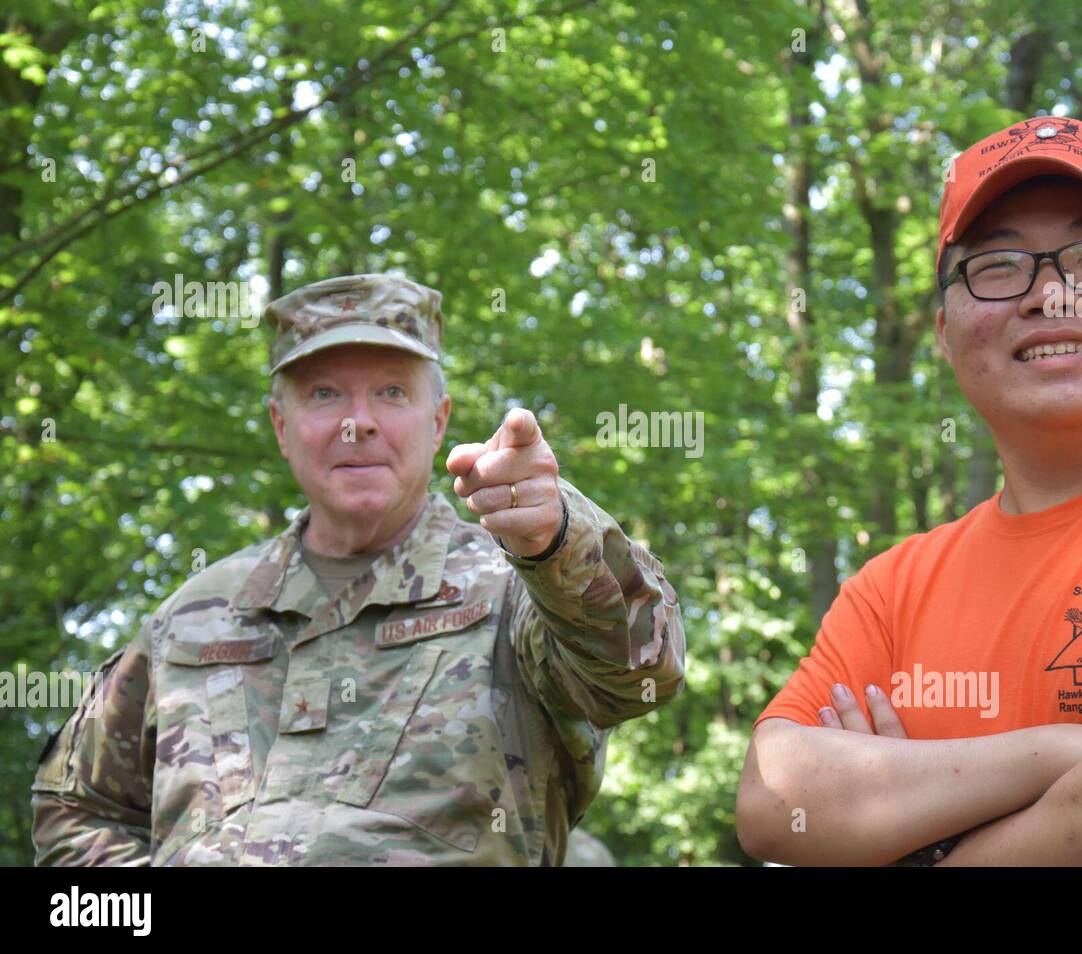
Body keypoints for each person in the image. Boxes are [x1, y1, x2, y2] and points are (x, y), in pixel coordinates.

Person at [737, 115, 1082, 866]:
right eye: (998, 266)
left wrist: (928, 843)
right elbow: (774, 799)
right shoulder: (889, 590)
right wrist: (1065, 755)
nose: (1051, 295)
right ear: (945, 331)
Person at [32, 273, 685, 865]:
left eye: (391, 392)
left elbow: (638, 671)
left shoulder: (517, 589)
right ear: (281, 426)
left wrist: (559, 538)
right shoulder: (192, 617)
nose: (358, 424)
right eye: (324, 394)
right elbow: (77, 805)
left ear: (439, 422)